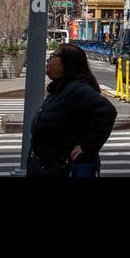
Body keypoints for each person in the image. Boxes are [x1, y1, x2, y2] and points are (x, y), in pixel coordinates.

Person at [27, 44, 117, 177]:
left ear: (66, 64)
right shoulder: (61, 88)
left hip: (62, 169)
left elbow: (107, 111)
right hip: (46, 167)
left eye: (53, 56)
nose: (48, 60)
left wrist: (86, 146)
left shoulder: (77, 89)